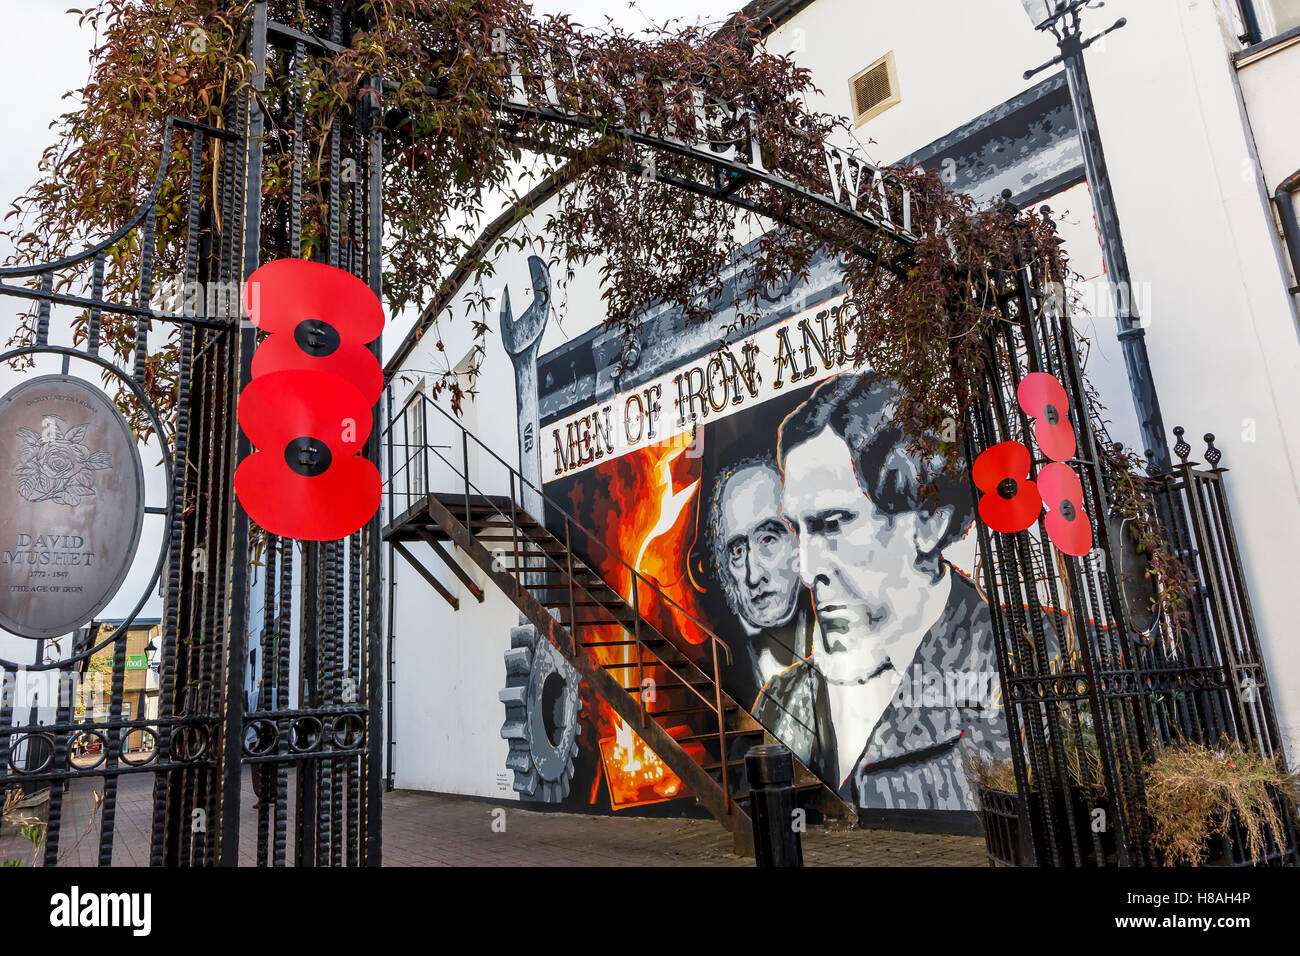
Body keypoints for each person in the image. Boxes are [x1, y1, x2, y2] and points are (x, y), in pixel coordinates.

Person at [753, 371, 1009, 812]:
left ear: (929, 521)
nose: (809, 572)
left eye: (832, 524)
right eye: (799, 530)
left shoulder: (1033, 664)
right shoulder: (780, 703)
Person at [703, 456, 814, 709]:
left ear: (798, 540)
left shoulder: (839, 637)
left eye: (768, 540)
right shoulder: (718, 667)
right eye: (738, 550)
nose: (754, 576)